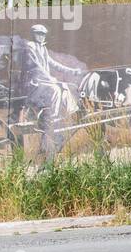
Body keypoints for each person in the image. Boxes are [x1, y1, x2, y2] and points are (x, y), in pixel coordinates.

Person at [18, 24, 83, 155]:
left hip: (43, 80)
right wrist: (50, 78)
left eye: (43, 34)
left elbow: (53, 64)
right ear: (33, 34)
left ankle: (66, 112)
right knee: (55, 89)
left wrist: (72, 71)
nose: (41, 37)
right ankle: (52, 116)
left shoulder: (43, 49)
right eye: (39, 34)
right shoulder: (30, 47)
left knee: (64, 86)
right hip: (33, 82)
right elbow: (36, 67)